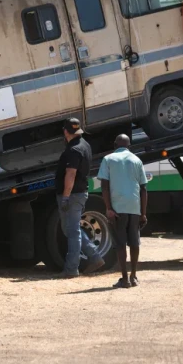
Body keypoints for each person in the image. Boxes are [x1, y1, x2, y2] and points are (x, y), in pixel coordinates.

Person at [55, 118, 105, 278]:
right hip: (79, 192)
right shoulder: (85, 145)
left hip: (73, 195)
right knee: (72, 229)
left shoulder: (74, 150)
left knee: (72, 231)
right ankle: (95, 256)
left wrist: (65, 197)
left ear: (65, 132)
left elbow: (71, 173)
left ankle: (71, 269)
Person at [97, 134, 148, 289]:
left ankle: (124, 279)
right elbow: (144, 189)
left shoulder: (108, 159)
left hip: (118, 208)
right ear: (129, 146)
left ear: (114, 144)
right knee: (134, 242)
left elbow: (104, 186)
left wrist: (109, 208)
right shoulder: (136, 160)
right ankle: (134, 277)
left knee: (120, 244)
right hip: (134, 207)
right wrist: (143, 213)